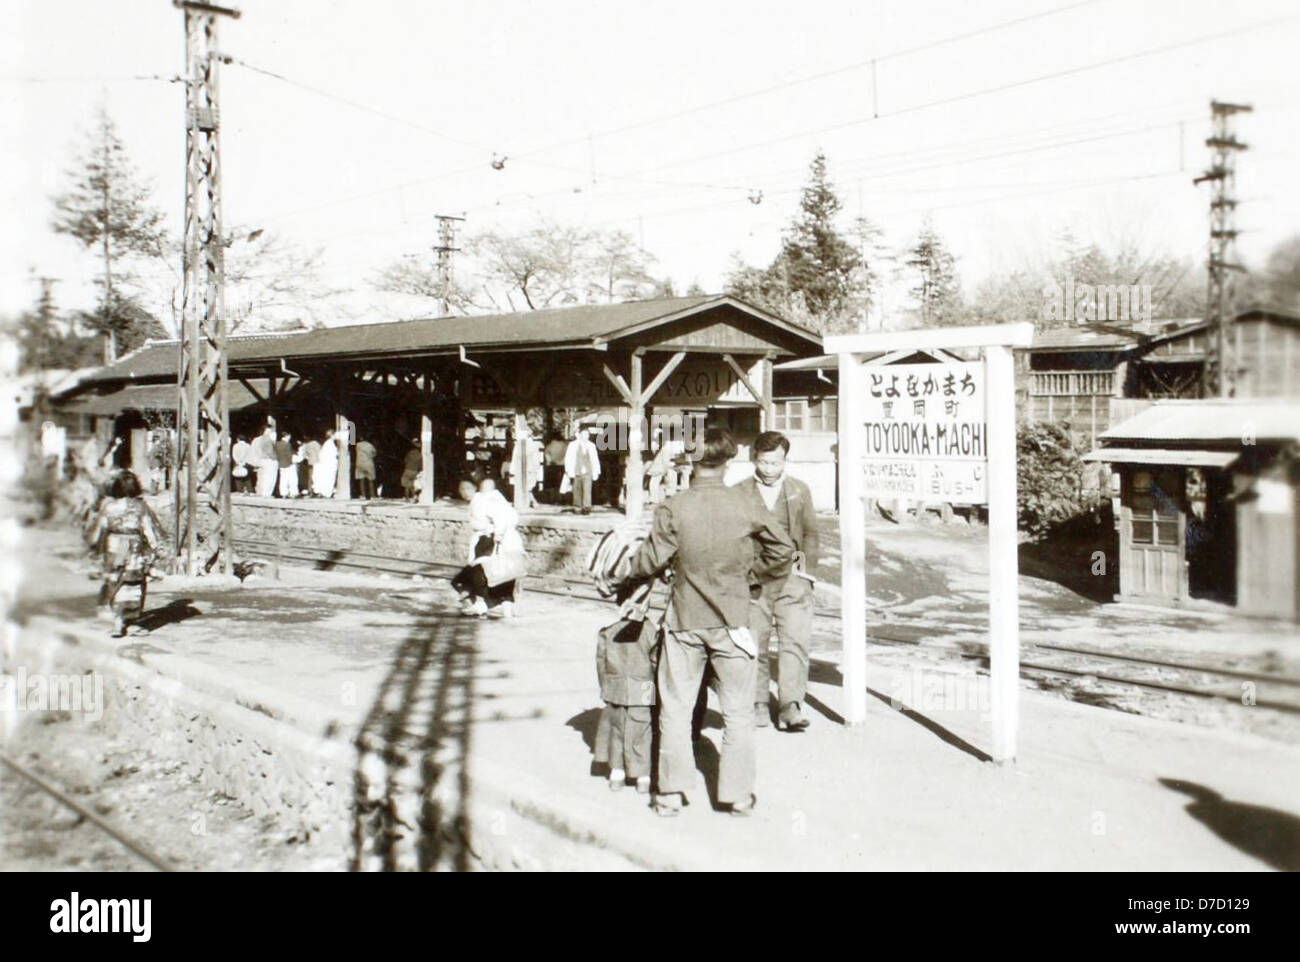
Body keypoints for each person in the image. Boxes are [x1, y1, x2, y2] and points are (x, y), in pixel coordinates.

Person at [619, 427, 793, 817]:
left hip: (684, 619)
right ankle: (738, 796)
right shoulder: (746, 504)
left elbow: (649, 561)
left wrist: (626, 573)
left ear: (690, 461)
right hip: (735, 620)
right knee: (738, 711)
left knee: (676, 709)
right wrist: (752, 577)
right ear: (730, 461)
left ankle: (670, 794)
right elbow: (783, 549)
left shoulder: (674, 507)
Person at [734, 431, 821, 731]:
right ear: (753, 459)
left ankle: (790, 705)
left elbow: (810, 533)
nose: (771, 469)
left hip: (792, 579)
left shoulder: (799, 490)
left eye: (777, 462)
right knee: (754, 641)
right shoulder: (739, 492)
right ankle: (758, 702)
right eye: (764, 462)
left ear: (785, 460)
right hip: (754, 581)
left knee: (795, 641)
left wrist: (805, 574)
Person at [87, 470, 163, 638]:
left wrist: (94, 549)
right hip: (134, 548)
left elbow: (99, 529)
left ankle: (118, 622)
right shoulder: (140, 507)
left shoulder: (109, 508)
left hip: (114, 547)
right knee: (133, 584)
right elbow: (149, 529)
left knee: (115, 581)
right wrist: (156, 549)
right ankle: (133, 622)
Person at [452, 479, 524, 618]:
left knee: (481, 573)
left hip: (491, 540)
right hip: (494, 539)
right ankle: (499, 605)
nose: (464, 492)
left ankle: (482, 604)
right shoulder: (487, 500)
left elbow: (500, 518)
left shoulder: (484, 500)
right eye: (462, 489)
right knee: (499, 574)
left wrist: (497, 533)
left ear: (476, 488)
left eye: (468, 488)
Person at [562, 425, 601, 515]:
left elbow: (595, 459)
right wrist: (568, 470)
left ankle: (586, 507)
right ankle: (577, 506)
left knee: (587, 489)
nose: (585, 436)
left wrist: (596, 471)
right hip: (576, 470)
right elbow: (568, 458)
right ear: (579, 435)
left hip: (588, 470)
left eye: (587, 434)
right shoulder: (573, 445)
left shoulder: (591, 446)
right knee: (576, 489)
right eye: (583, 434)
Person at [250, 423, 278, 497]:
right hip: (268, 460)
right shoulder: (267, 439)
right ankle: (266, 494)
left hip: (259, 461)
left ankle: (260, 493)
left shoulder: (256, 440)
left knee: (261, 477)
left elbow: (253, 451)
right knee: (269, 478)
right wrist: (275, 458)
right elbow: (270, 452)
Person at [313, 428, 339, 498]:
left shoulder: (327, 443)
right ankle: (327, 493)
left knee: (327, 478)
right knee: (329, 478)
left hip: (327, 463)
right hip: (329, 464)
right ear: (332, 435)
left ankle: (325, 492)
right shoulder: (330, 444)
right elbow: (333, 454)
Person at [275, 431, 299, 498]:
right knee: (292, 479)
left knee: (283, 480)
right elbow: (289, 456)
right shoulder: (287, 444)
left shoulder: (277, 444)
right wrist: (293, 461)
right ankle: (293, 493)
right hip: (289, 464)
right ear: (287, 436)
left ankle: (283, 493)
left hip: (281, 464)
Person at [354, 433, 377, 500]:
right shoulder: (370, 446)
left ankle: (363, 495)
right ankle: (373, 496)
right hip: (368, 463)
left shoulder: (358, 445)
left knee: (362, 480)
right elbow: (374, 454)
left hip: (359, 463)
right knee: (371, 480)